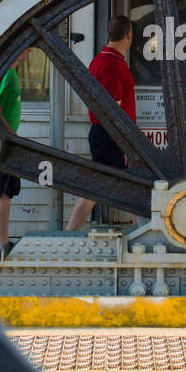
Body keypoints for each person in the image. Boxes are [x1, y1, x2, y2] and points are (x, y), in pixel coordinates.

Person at [67, 16, 135, 231]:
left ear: (108, 34)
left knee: (112, 185)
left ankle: (142, 229)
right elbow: (111, 110)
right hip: (111, 135)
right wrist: (125, 141)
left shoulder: (101, 60)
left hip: (105, 134)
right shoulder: (112, 64)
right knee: (117, 186)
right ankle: (144, 231)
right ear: (129, 35)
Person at [0, 48, 30, 261]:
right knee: (3, 193)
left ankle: (2, 242)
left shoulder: (11, 73)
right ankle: (2, 244)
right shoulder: (7, 74)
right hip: (4, 141)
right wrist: (10, 134)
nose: (30, 49)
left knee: (5, 191)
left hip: (6, 139)